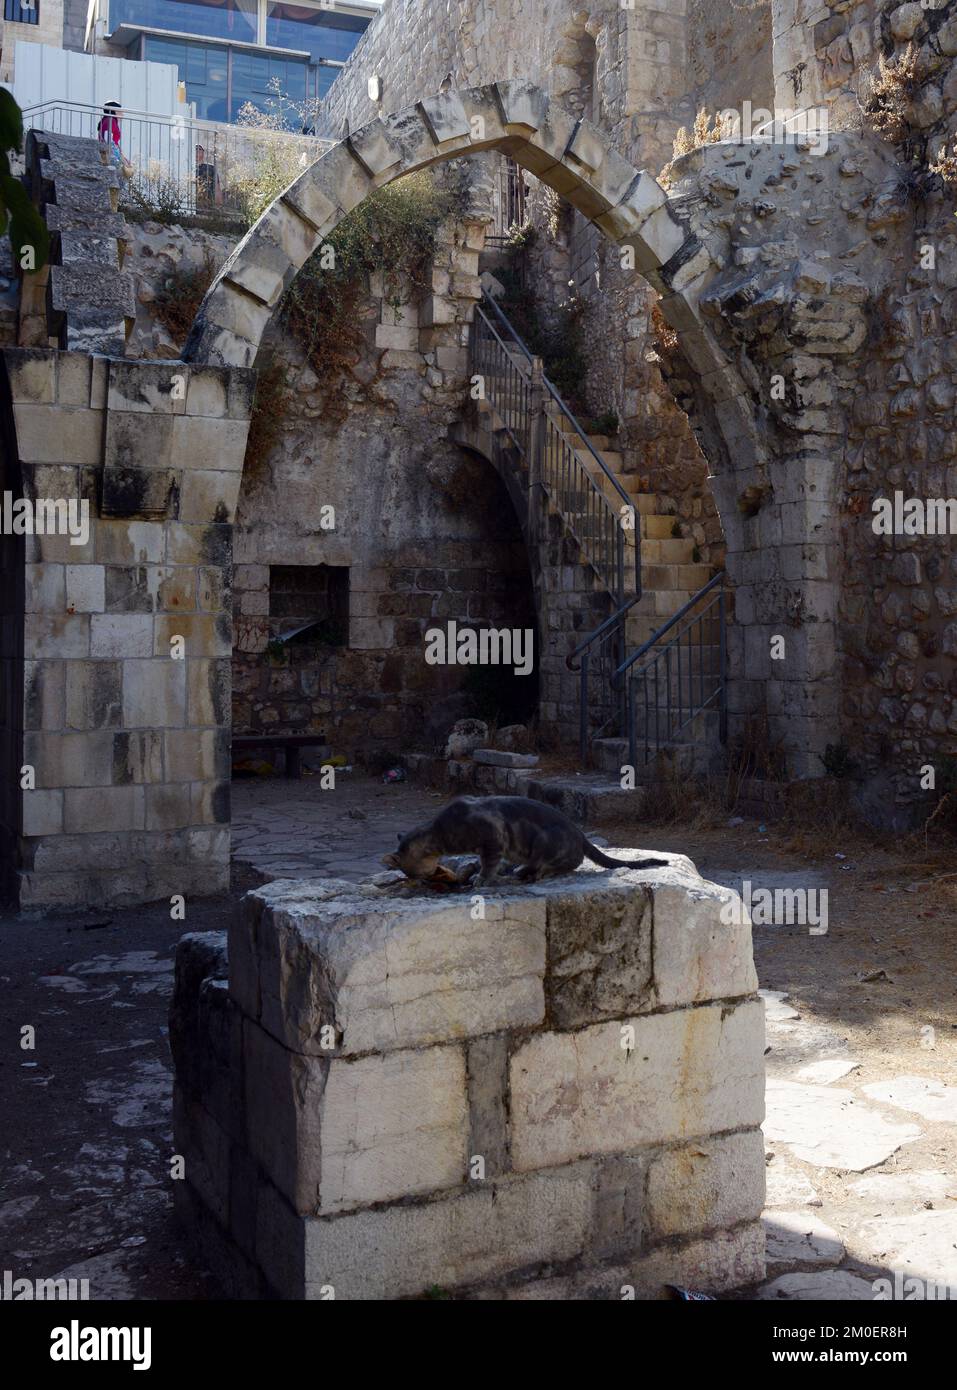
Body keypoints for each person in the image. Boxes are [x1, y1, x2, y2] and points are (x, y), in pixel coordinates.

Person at [97, 101, 122, 166]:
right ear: (115, 111)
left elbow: (113, 141)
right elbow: (107, 139)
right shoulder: (111, 120)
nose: (122, 114)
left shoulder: (109, 120)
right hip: (110, 153)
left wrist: (121, 155)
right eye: (120, 111)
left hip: (111, 152)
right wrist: (118, 157)